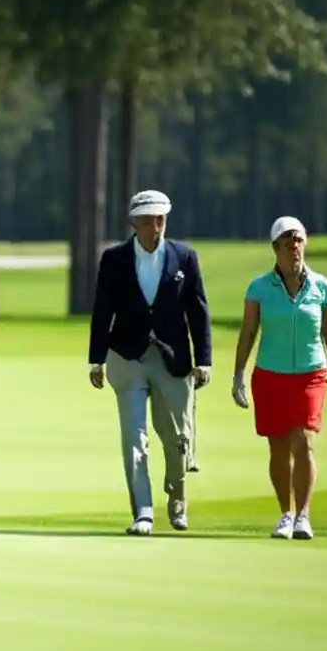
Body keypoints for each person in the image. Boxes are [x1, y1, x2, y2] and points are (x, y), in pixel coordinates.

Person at [89, 190, 212, 536]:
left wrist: (204, 359)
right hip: (127, 356)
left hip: (173, 360)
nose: (155, 227)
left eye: (160, 220)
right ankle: (142, 511)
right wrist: (96, 359)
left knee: (177, 438)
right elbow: (102, 310)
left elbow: (198, 310)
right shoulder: (114, 259)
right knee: (134, 438)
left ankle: (177, 496)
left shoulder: (184, 257)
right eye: (147, 221)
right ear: (134, 223)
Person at [231, 216, 327, 541]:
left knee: (304, 440)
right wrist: (238, 374)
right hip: (270, 376)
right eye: (287, 242)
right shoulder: (258, 288)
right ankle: (286, 512)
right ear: (275, 248)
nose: (294, 247)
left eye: (298, 240)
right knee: (279, 448)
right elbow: (248, 333)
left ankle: (303, 515)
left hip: (311, 375)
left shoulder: (322, 287)